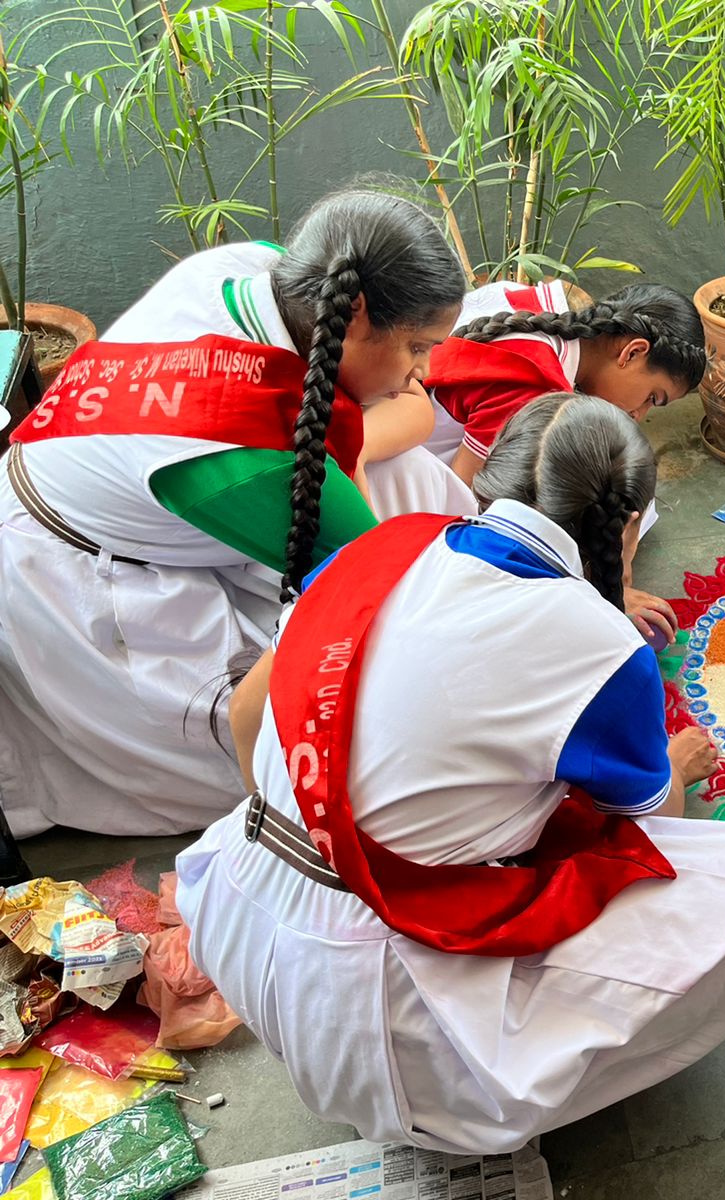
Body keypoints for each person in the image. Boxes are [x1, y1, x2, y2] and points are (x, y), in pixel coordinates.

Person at [175, 394, 725, 1154]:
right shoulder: (600, 644)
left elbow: (247, 712)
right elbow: (649, 828)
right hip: (367, 1015)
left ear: (483, 487)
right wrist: (676, 765)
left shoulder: (379, 546)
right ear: (627, 527)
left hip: (230, 908)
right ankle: (494, 1100)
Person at [0, 186, 466, 837]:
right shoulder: (245, 457)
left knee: (410, 481)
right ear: (355, 315)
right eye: (418, 346)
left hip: (109, 481)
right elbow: (393, 603)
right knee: (307, 752)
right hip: (66, 579)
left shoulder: (264, 267)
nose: (421, 374)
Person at [425, 281, 707, 646]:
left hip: (408, 445)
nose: (639, 414)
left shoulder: (543, 309)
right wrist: (607, 588)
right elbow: (465, 498)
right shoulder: (532, 388)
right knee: (614, 497)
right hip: (421, 498)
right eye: (652, 397)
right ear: (632, 352)